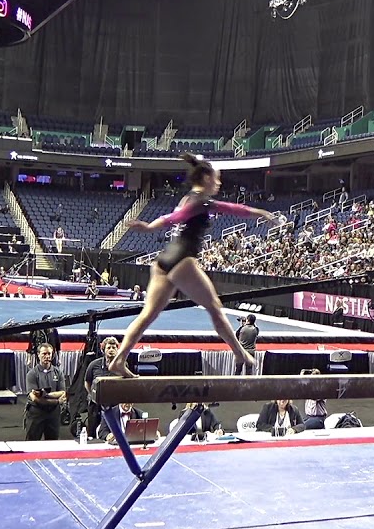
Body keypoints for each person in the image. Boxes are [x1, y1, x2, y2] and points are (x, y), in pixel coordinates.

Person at [108, 154, 277, 379]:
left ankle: (119, 360)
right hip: (183, 260)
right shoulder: (201, 202)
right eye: (216, 178)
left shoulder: (187, 199)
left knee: (147, 315)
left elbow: (171, 216)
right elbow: (233, 209)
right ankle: (240, 354)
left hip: (163, 261)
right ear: (206, 178)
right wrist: (261, 213)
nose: (219, 183)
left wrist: (150, 226)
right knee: (215, 307)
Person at [24, 343, 66, 441]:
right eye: (44, 354)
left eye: (49, 354)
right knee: (31, 443)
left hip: (53, 414)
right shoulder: (32, 374)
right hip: (36, 413)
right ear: (38, 354)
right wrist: (56, 400)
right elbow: (35, 398)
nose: (47, 356)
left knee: (53, 443)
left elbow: (63, 393)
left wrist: (45, 395)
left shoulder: (58, 372)